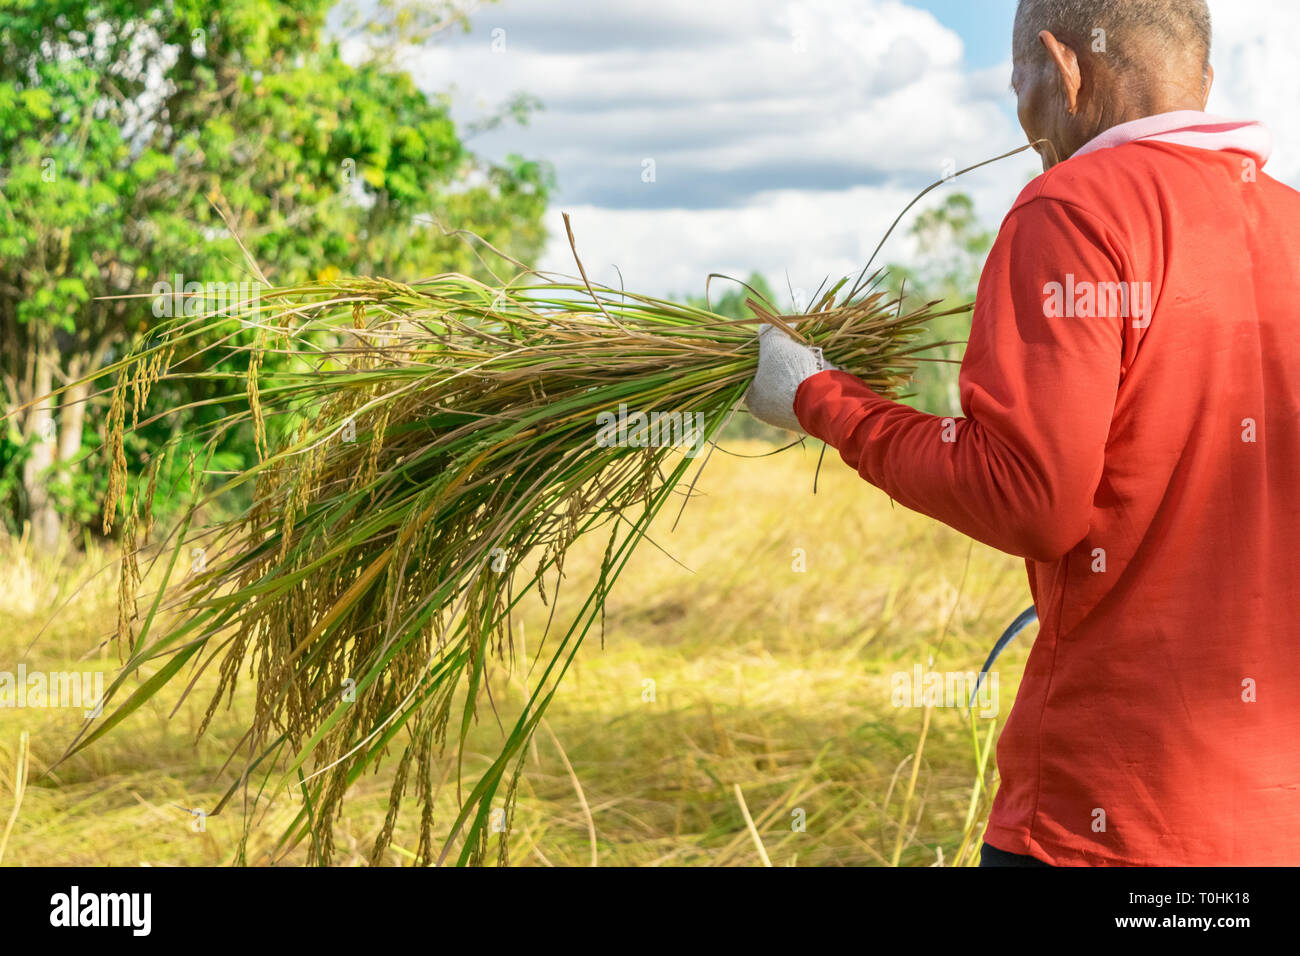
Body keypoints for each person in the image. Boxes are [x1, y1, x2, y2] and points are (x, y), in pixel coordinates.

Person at [746, 0, 1300, 866]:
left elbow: (1031, 498)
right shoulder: (1291, 221)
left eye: (1017, 83)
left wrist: (820, 399)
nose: (1024, 115)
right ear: (1204, 80)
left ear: (1060, 66)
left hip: (1108, 819)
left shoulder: (1074, 210)